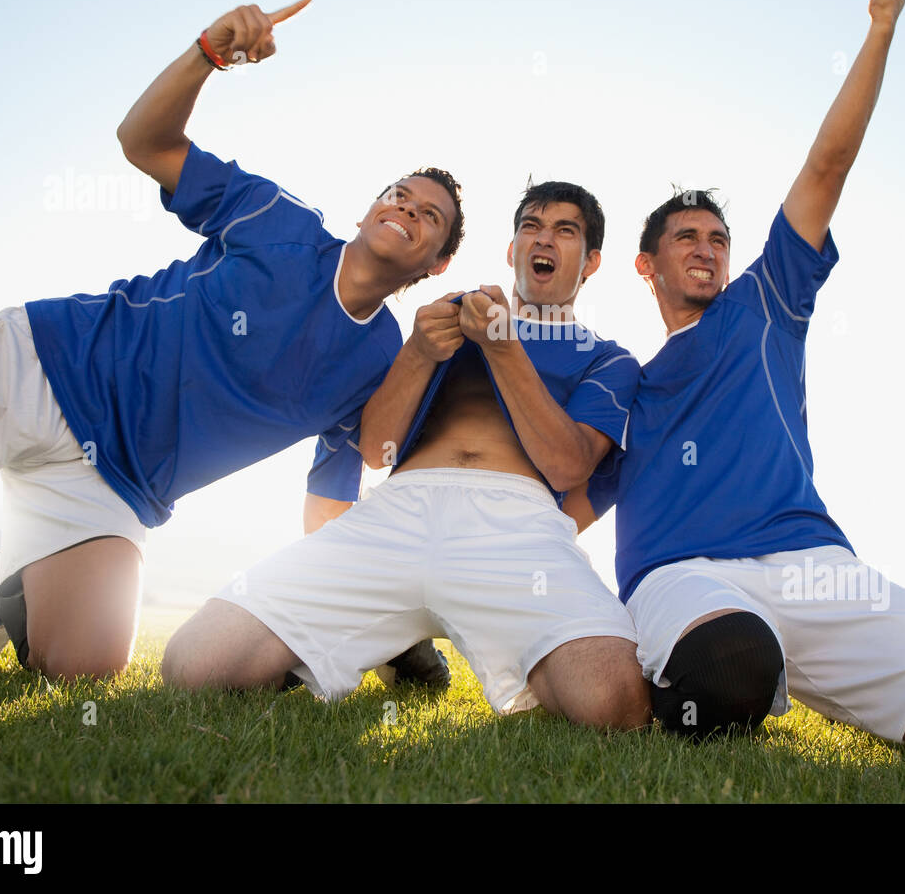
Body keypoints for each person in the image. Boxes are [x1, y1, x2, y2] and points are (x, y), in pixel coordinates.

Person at [0, 0, 462, 684]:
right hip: (45, 364)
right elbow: (145, 142)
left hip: (116, 487)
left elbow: (327, 509)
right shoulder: (277, 219)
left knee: (84, 665)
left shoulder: (378, 364)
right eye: (399, 192)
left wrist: (380, 623)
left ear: (438, 265)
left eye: (429, 214)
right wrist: (208, 54)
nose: (406, 206)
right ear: (373, 206)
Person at [582, 0, 905, 760]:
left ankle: (828, 678)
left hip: (813, 565)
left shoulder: (766, 305)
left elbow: (827, 166)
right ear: (645, 264)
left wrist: (882, 25)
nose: (706, 248)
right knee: (729, 674)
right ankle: (688, 665)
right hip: (684, 576)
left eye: (717, 238)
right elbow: (572, 498)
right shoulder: (624, 379)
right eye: (686, 237)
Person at [162, 181, 651, 730]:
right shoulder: (448, 319)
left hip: (516, 525)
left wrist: (504, 350)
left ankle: (510, 657)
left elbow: (568, 465)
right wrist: (418, 351)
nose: (545, 240)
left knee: (614, 703)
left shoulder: (609, 358)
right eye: (531, 228)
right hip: (395, 511)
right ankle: (400, 653)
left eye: (566, 231)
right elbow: (376, 450)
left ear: (590, 263)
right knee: (193, 665)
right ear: (512, 250)